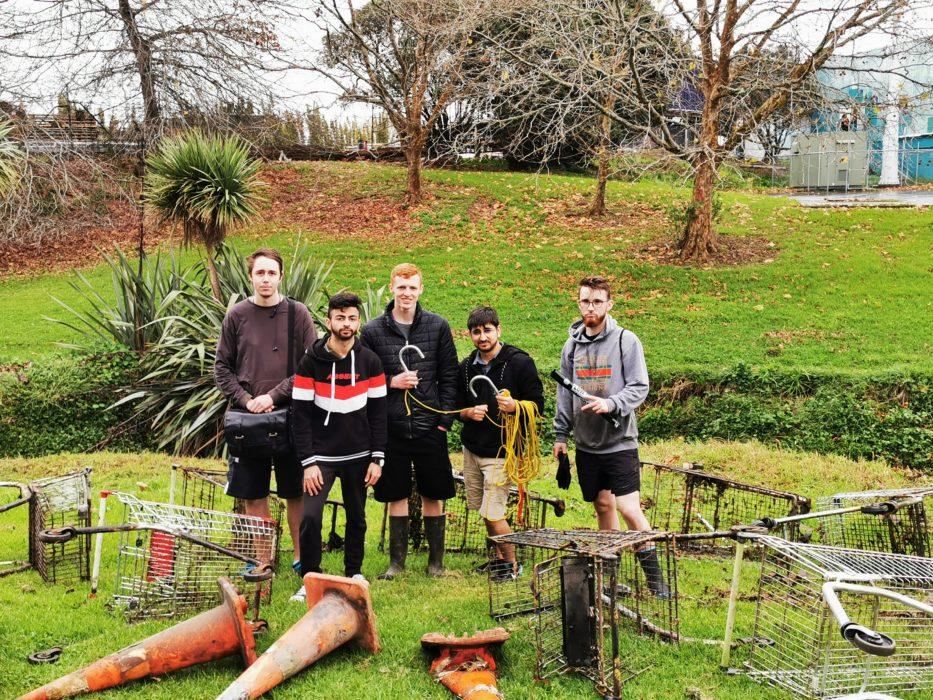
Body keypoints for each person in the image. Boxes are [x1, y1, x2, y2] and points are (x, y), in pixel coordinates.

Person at [552, 276, 669, 597]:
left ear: (609, 304)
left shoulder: (625, 341)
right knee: (603, 507)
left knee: (629, 509)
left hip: (620, 442)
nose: (591, 307)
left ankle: (656, 580)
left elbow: (640, 386)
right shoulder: (571, 346)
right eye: (586, 301)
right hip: (586, 446)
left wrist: (611, 403)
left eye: (597, 301)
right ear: (579, 303)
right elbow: (564, 395)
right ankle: (612, 578)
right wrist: (561, 434)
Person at [214, 248, 317, 572]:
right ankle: (262, 559)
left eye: (272, 273)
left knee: (295, 491)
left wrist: (273, 396)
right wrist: (246, 400)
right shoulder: (237, 315)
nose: (266, 279)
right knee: (253, 493)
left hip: (290, 416)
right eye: (260, 273)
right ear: (251, 277)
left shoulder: (297, 313)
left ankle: (301, 557)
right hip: (247, 420)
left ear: (281, 276)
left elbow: (309, 367)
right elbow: (221, 368)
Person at [360, 263, 458, 579]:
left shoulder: (437, 326)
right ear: (392, 288)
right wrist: (392, 382)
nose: (407, 293)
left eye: (412, 287)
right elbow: (362, 377)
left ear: (420, 290)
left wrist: (443, 421)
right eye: (401, 287)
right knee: (396, 493)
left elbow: (449, 376)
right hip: (393, 427)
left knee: (434, 491)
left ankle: (436, 563)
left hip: (430, 424)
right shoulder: (373, 331)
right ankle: (396, 563)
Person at [289, 292, 386, 600]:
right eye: (340, 318)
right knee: (311, 518)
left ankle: (354, 572)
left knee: (357, 515)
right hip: (321, 458)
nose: (346, 323)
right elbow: (299, 417)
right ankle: (310, 579)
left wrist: (377, 458)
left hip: (360, 455)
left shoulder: (370, 361)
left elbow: (379, 413)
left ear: (359, 322)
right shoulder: (310, 362)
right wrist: (308, 462)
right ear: (329, 321)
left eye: (352, 318)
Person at [456, 306, 544, 580]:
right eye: (476, 332)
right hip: (472, 448)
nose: (482, 337)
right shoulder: (467, 366)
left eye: (487, 330)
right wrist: (467, 413)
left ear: (499, 330)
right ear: (470, 334)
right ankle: (498, 559)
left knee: (494, 511)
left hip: (502, 450)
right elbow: (456, 406)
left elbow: (538, 406)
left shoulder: (519, 362)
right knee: (483, 508)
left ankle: (513, 565)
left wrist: (515, 406)